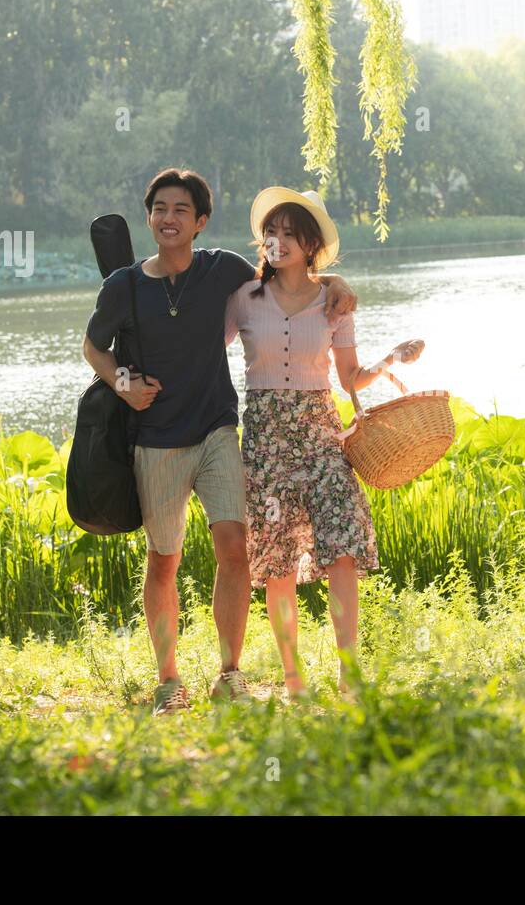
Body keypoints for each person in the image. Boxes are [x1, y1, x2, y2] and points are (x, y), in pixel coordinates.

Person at [81, 168, 358, 716]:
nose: (169, 218)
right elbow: (94, 348)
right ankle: (168, 680)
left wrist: (334, 285)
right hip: (156, 439)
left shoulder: (223, 271)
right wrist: (123, 384)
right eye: (160, 208)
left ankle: (229, 674)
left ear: (201, 221)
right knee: (165, 559)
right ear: (149, 216)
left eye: (181, 210)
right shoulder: (124, 286)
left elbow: (284, 285)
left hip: (217, 432)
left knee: (236, 549)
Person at [224, 186, 423, 700]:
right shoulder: (243, 300)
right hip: (266, 443)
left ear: (311, 244)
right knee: (277, 563)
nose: (278, 241)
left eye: (290, 233)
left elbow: (350, 376)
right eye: (271, 232)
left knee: (342, 551)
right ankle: (293, 681)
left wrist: (392, 359)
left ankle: (348, 673)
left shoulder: (334, 303)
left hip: (320, 438)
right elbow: (203, 350)